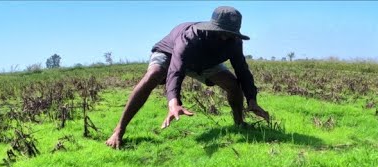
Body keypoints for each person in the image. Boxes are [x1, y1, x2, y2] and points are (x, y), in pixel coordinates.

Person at [105, 6, 271, 149]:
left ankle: (239, 124)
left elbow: (242, 69)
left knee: (233, 85)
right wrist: (173, 102)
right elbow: (176, 69)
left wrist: (252, 99)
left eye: (230, 34)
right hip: (171, 53)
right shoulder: (190, 37)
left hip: (205, 61)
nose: (225, 38)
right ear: (213, 27)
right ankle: (119, 130)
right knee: (153, 75)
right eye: (222, 32)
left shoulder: (234, 41)